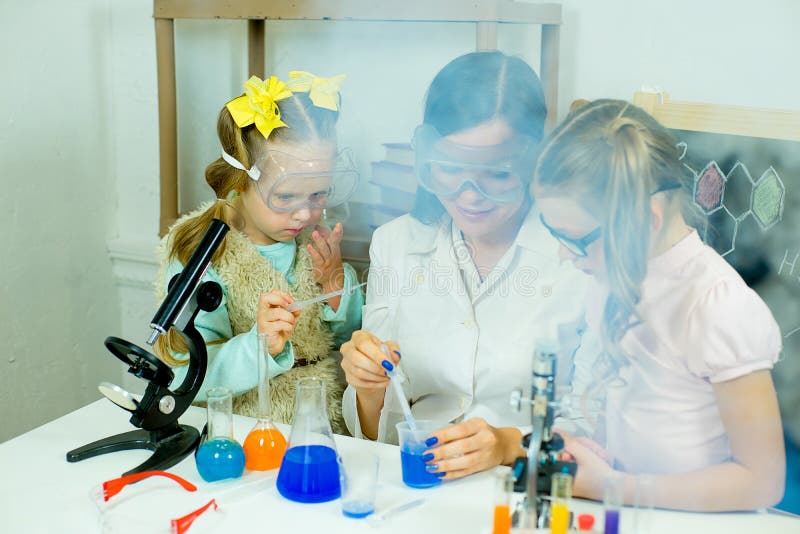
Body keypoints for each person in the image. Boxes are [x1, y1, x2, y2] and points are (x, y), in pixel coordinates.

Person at [340, 51, 590, 479]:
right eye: (451, 169)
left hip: (526, 488)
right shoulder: (395, 244)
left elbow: (601, 430)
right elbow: (372, 435)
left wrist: (509, 445)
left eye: (495, 174)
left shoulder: (582, 261)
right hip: (411, 482)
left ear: (533, 163)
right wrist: (366, 390)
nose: (469, 194)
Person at [533, 98, 785, 510]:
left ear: (643, 221)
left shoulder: (717, 306)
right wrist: (584, 448)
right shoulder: (611, 278)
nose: (564, 255)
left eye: (575, 239)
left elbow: (761, 483)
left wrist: (614, 486)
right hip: (629, 514)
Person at [154, 72, 363, 433]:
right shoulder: (203, 251)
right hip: (245, 431)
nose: (305, 214)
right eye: (285, 197)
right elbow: (185, 371)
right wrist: (258, 345)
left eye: (318, 194)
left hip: (323, 428)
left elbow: (351, 341)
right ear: (241, 180)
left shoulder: (311, 239)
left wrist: (334, 283)